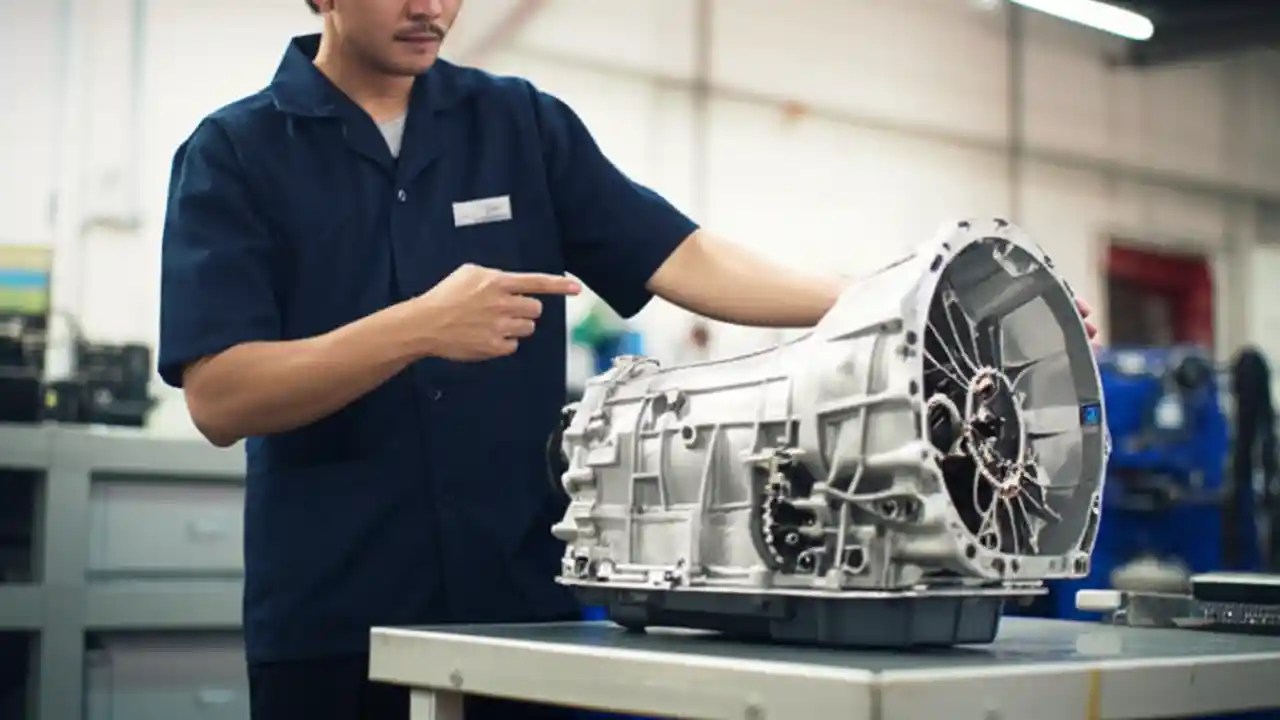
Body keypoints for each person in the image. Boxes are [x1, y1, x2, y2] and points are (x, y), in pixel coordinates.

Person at [158, 2, 1098, 718]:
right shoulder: (235, 155)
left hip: (520, 614)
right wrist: (416, 327)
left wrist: (916, 304)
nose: (432, 5)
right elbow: (222, 395)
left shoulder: (519, 125)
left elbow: (684, 257)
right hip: (332, 624)